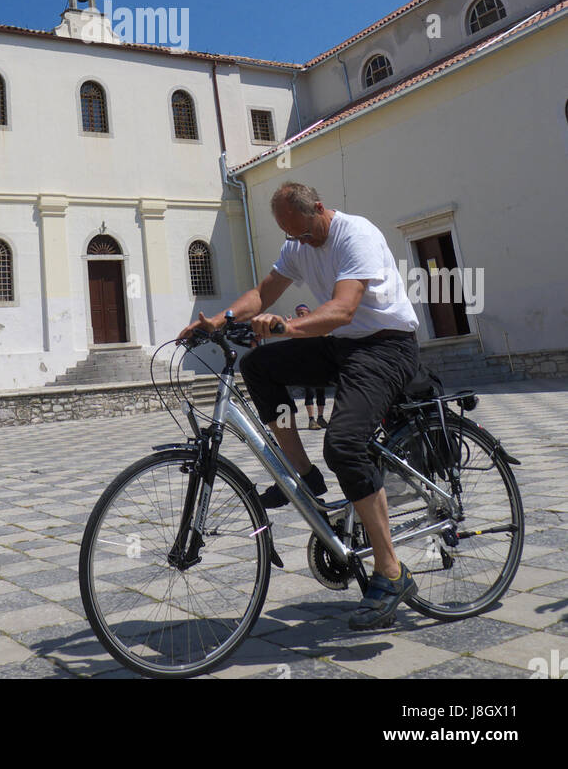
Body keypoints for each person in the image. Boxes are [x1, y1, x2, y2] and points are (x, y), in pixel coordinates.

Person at [178, 181, 420, 631]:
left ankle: (391, 572)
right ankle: (303, 473)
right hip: (341, 346)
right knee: (259, 367)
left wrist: (287, 327)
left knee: (345, 445)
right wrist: (222, 319)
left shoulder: (356, 235)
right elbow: (264, 293)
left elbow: (344, 309)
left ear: (320, 210)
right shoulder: (297, 242)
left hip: (386, 347)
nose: (301, 243)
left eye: (305, 233)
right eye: (292, 236)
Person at [294, 306, 329, 427]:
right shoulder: (297, 328)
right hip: (306, 365)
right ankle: (311, 420)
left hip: (319, 364)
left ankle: (320, 418)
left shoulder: (316, 326)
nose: (300, 316)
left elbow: (326, 337)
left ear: (309, 313)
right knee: (309, 393)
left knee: (321, 392)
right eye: (298, 314)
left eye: (302, 313)